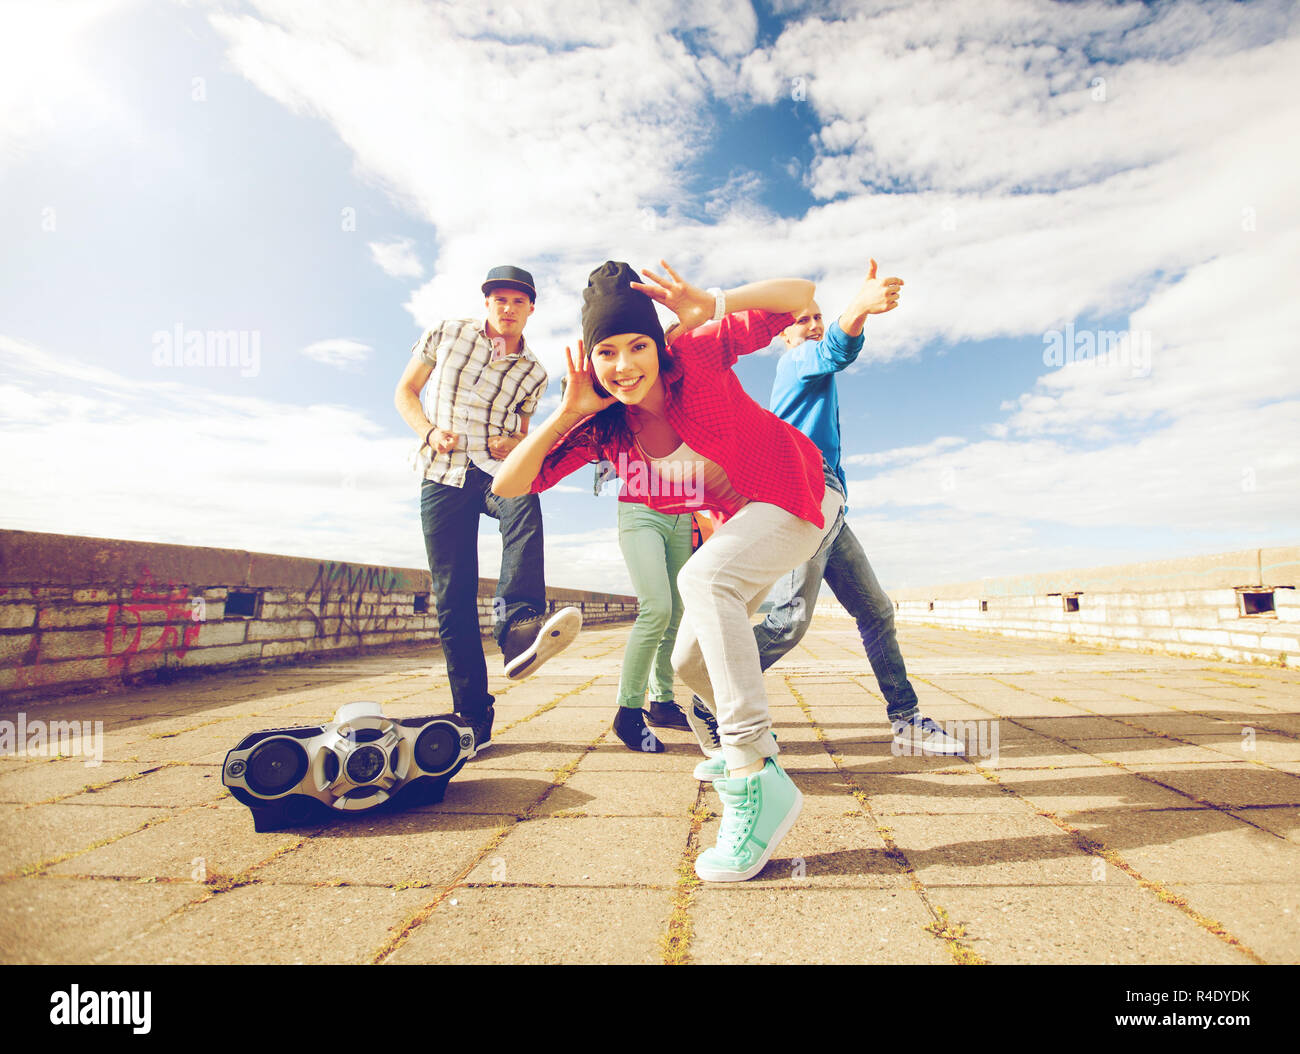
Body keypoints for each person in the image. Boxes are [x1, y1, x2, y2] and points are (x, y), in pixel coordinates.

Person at [493, 259, 840, 883]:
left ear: (658, 345)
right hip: (748, 522)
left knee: (703, 582)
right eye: (606, 351)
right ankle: (725, 746)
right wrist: (565, 413)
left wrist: (715, 299)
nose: (623, 365)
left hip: (798, 490)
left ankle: (754, 773)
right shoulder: (604, 428)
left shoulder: (697, 357)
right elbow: (509, 482)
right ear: (589, 358)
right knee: (687, 664)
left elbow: (801, 296)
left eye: (636, 346)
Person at [735, 260, 964, 760]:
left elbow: (835, 351)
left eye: (818, 317)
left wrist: (855, 313)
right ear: (782, 333)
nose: (813, 325)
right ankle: (711, 698)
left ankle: (906, 720)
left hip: (831, 505)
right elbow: (837, 350)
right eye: (803, 320)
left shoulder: (810, 368)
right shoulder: (796, 364)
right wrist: (858, 308)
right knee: (790, 620)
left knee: (876, 610)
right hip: (805, 501)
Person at [394, 265, 582, 754]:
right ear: (487, 303)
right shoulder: (447, 333)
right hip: (442, 473)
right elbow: (406, 392)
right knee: (452, 595)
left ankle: (519, 628)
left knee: (525, 501)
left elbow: (525, 433)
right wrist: (430, 432)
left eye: (518, 301)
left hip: (494, 473)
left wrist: (513, 442)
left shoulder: (534, 372)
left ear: (531, 308)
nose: (508, 308)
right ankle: (472, 716)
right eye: (499, 299)